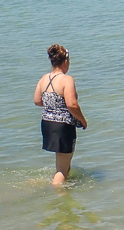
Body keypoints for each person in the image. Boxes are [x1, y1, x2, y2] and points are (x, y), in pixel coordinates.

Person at [34, 44, 87, 185]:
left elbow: (37, 101)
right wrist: (83, 120)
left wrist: (53, 106)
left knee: (62, 164)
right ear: (65, 62)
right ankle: (60, 196)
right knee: (62, 169)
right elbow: (72, 105)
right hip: (63, 126)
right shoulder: (66, 79)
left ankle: (60, 185)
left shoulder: (44, 78)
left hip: (47, 124)